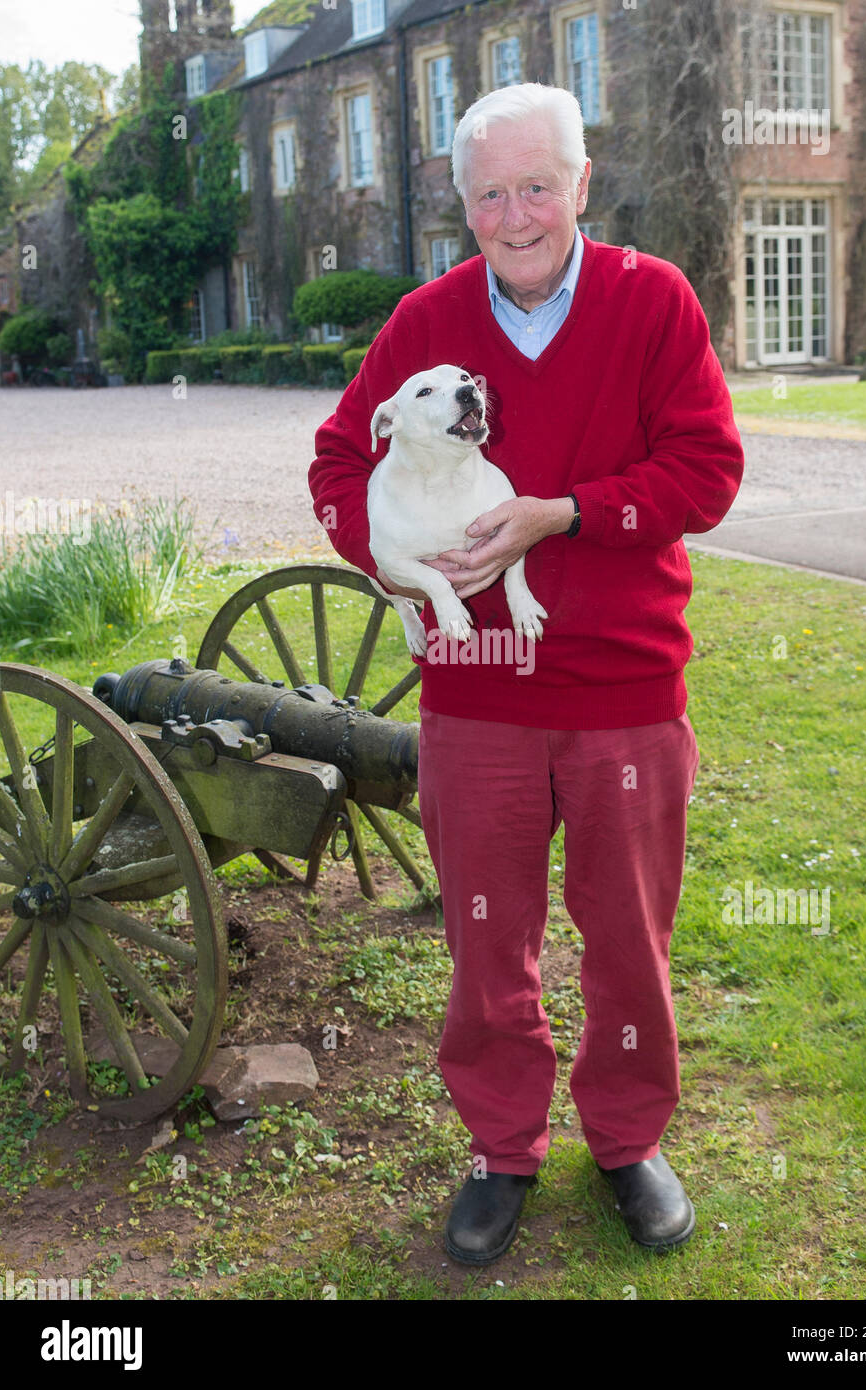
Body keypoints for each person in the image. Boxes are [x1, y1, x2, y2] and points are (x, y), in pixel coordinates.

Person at [309, 82, 744, 1264]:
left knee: (626, 940)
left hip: (623, 692)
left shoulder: (653, 303)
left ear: (582, 185)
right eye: (490, 193)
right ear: (464, 206)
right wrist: (393, 562)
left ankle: (625, 1141)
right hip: (478, 695)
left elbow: (706, 471)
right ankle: (503, 1148)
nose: (516, 215)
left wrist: (564, 515)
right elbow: (339, 462)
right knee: (489, 939)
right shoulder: (424, 323)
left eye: (537, 186)